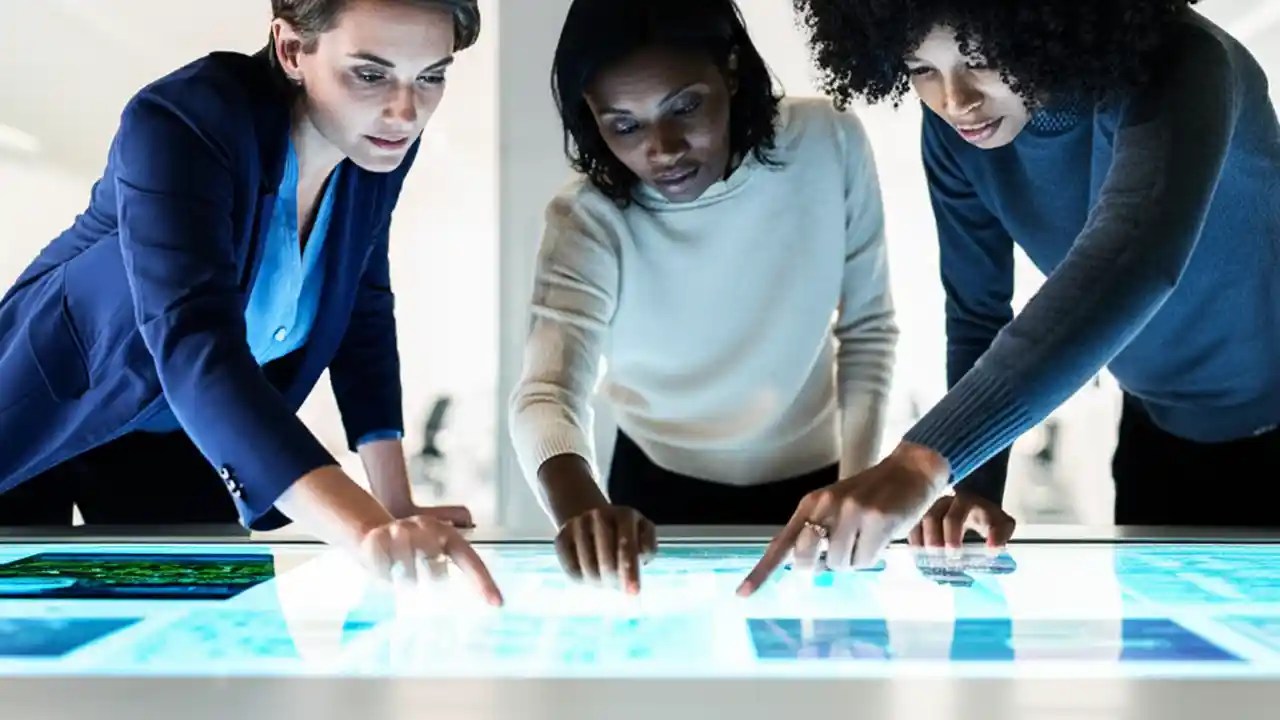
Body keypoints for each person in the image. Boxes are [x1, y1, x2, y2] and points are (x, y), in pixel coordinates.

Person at [738, 0, 1280, 594]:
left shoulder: (1183, 60)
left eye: (981, 60)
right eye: (921, 69)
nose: (956, 100)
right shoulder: (959, 136)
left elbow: (1132, 261)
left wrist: (921, 461)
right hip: (1159, 436)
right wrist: (974, 488)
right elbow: (977, 313)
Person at [0, 0, 502, 605]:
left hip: (188, 436)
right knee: (26, 640)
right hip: (47, 409)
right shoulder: (185, 118)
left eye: (430, 76)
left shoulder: (376, 144)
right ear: (291, 50)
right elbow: (194, 337)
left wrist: (395, 501)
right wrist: (364, 529)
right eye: (370, 74)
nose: (405, 111)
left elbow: (361, 306)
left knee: (206, 635)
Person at [509, 0, 898, 594]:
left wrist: (858, 486)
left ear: (731, 71)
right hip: (653, 489)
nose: (663, 149)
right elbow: (547, 392)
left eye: (685, 107)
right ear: (593, 117)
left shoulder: (829, 142)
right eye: (625, 126)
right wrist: (580, 508)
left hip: (822, 484)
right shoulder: (587, 218)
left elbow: (868, 330)